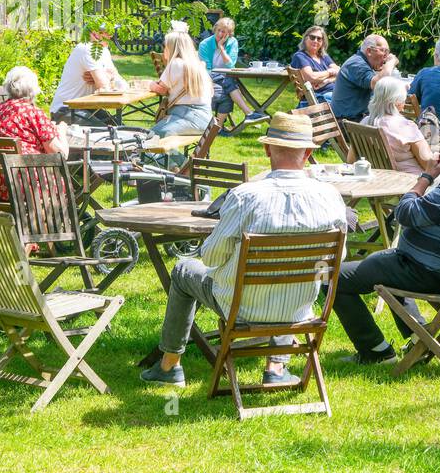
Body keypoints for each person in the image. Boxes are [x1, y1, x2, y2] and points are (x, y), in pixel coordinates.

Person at [140, 112, 349, 387]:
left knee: (182, 269)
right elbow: (336, 260)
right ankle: (276, 367)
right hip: (299, 308)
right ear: (308, 153)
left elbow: (211, 257)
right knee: (290, 281)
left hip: (242, 308)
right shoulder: (330, 197)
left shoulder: (245, 197)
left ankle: (169, 366)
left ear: (266, 148)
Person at [333, 118, 440, 364]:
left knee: (332, 278)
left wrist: (426, 177)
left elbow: (404, 213)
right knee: (383, 263)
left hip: (427, 273)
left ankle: (376, 352)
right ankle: (417, 338)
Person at [0, 66, 70, 201]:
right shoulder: (33, 112)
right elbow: (60, 154)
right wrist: (62, 131)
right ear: (33, 90)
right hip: (24, 185)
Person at [49, 26, 127, 122]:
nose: (111, 35)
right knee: (110, 133)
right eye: (105, 31)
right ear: (94, 32)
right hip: (66, 109)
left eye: (111, 32)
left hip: (88, 107)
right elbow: (104, 87)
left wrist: (106, 76)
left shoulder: (104, 51)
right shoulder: (87, 49)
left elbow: (121, 84)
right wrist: (106, 77)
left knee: (119, 128)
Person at [362, 76, 435, 176]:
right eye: (403, 99)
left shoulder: (364, 123)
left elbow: (351, 160)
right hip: (414, 182)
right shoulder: (406, 127)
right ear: (396, 101)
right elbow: (428, 164)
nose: (404, 103)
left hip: (381, 180)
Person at [147, 28, 213, 137]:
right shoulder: (198, 65)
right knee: (157, 139)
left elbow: (162, 89)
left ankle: (176, 155)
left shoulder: (176, 63)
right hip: (205, 119)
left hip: (187, 116)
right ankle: (174, 155)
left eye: (165, 46)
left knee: (151, 137)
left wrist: (151, 84)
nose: (164, 50)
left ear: (172, 48)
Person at [198, 17, 263, 124]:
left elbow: (230, 64)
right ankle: (248, 113)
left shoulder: (232, 42)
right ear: (215, 29)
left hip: (226, 77)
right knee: (229, 82)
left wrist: (222, 48)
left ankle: (217, 128)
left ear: (229, 33)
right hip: (208, 76)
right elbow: (207, 68)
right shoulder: (205, 44)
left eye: (223, 32)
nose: (220, 34)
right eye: (218, 30)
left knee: (227, 89)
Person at [330, 33, 398, 122]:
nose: (386, 56)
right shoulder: (356, 64)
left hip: (356, 120)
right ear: (369, 51)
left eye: (387, 52)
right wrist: (390, 63)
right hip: (348, 124)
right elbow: (378, 84)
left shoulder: (363, 63)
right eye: (383, 51)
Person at [289, 25, 339, 105]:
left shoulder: (324, 56)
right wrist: (330, 72)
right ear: (305, 38)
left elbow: (339, 71)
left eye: (319, 39)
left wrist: (326, 81)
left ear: (322, 42)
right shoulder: (300, 56)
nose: (315, 41)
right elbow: (311, 77)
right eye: (312, 37)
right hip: (319, 97)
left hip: (333, 92)